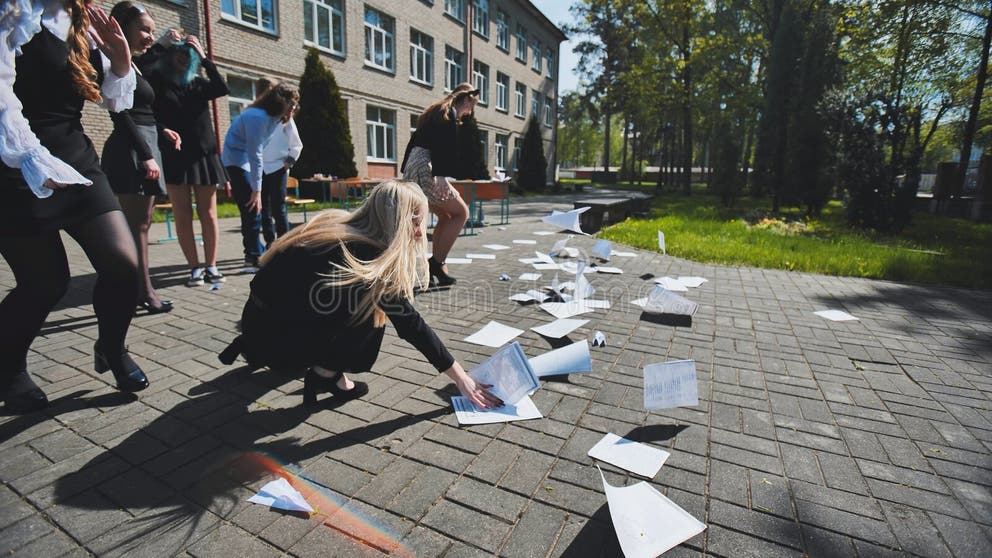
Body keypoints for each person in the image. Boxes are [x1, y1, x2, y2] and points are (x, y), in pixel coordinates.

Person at [219, 180, 502, 410]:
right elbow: (411, 325)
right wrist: (462, 378)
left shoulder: (334, 222)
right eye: (417, 223)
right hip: (278, 348)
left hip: (255, 329)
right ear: (398, 222)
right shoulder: (367, 258)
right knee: (371, 315)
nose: (419, 233)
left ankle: (269, 353)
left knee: (349, 300)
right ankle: (327, 375)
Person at [0, 0, 150, 413]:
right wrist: (30, 156)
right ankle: (8, 367)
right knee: (45, 282)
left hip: (76, 159)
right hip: (13, 161)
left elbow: (114, 103)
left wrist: (120, 62)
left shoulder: (81, 20)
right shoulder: (13, 11)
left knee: (124, 263)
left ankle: (112, 349)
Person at [103, 1, 180, 314]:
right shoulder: (113, 61)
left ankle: (140, 290)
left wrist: (161, 130)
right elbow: (121, 115)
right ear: (123, 27)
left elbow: (140, 111)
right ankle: (143, 292)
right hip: (131, 151)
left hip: (145, 144)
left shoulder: (132, 64)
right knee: (137, 227)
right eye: (144, 29)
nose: (150, 35)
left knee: (143, 225)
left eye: (152, 30)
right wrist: (147, 155)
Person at [140, 30, 228, 287]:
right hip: (175, 154)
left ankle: (211, 265)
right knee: (182, 214)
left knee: (208, 214)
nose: (182, 59)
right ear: (170, 57)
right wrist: (160, 44)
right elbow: (141, 69)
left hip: (203, 155)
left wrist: (203, 57)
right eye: (177, 54)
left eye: (186, 55)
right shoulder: (158, 82)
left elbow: (222, 87)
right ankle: (194, 268)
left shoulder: (199, 84)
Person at [401, 82, 478, 287]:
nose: (470, 112)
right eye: (471, 106)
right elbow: (444, 145)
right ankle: (436, 262)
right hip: (426, 167)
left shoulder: (434, 110)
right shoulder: (447, 112)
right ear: (466, 99)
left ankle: (437, 265)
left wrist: (407, 174)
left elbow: (414, 142)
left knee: (445, 215)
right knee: (462, 213)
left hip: (415, 166)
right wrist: (442, 176)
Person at [221, 83, 299, 270]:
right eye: (292, 103)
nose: (294, 107)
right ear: (281, 101)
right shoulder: (258, 118)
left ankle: (258, 251)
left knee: (255, 210)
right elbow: (256, 154)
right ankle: (252, 258)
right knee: (252, 208)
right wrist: (257, 189)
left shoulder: (274, 118)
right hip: (237, 161)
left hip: (245, 162)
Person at [254, 77, 303, 248]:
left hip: (278, 168)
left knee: (278, 207)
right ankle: (269, 242)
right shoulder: (258, 117)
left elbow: (296, 144)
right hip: (261, 168)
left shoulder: (286, 118)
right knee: (264, 208)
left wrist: (288, 163)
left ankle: (284, 243)